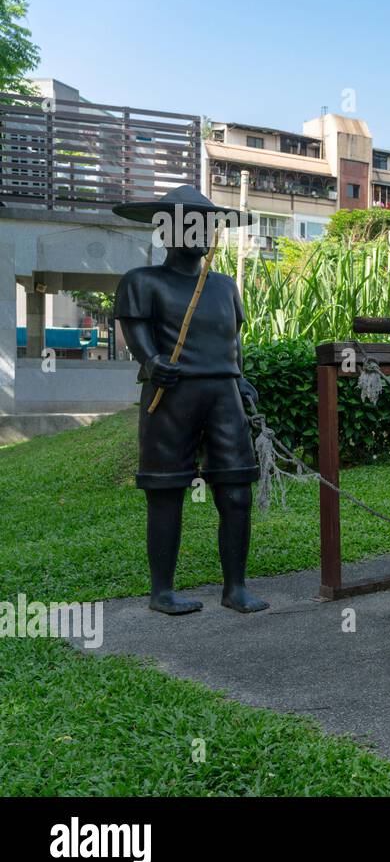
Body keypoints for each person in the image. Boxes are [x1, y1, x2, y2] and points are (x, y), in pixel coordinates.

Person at [112, 185, 268, 614]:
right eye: (187, 223)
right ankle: (162, 591)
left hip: (223, 393)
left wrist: (240, 380)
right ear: (165, 230)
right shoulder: (142, 281)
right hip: (173, 393)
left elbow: (232, 341)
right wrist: (151, 361)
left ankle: (235, 587)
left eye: (206, 223)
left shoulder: (224, 286)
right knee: (166, 490)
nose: (199, 232)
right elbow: (138, 335)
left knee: (236, 490)